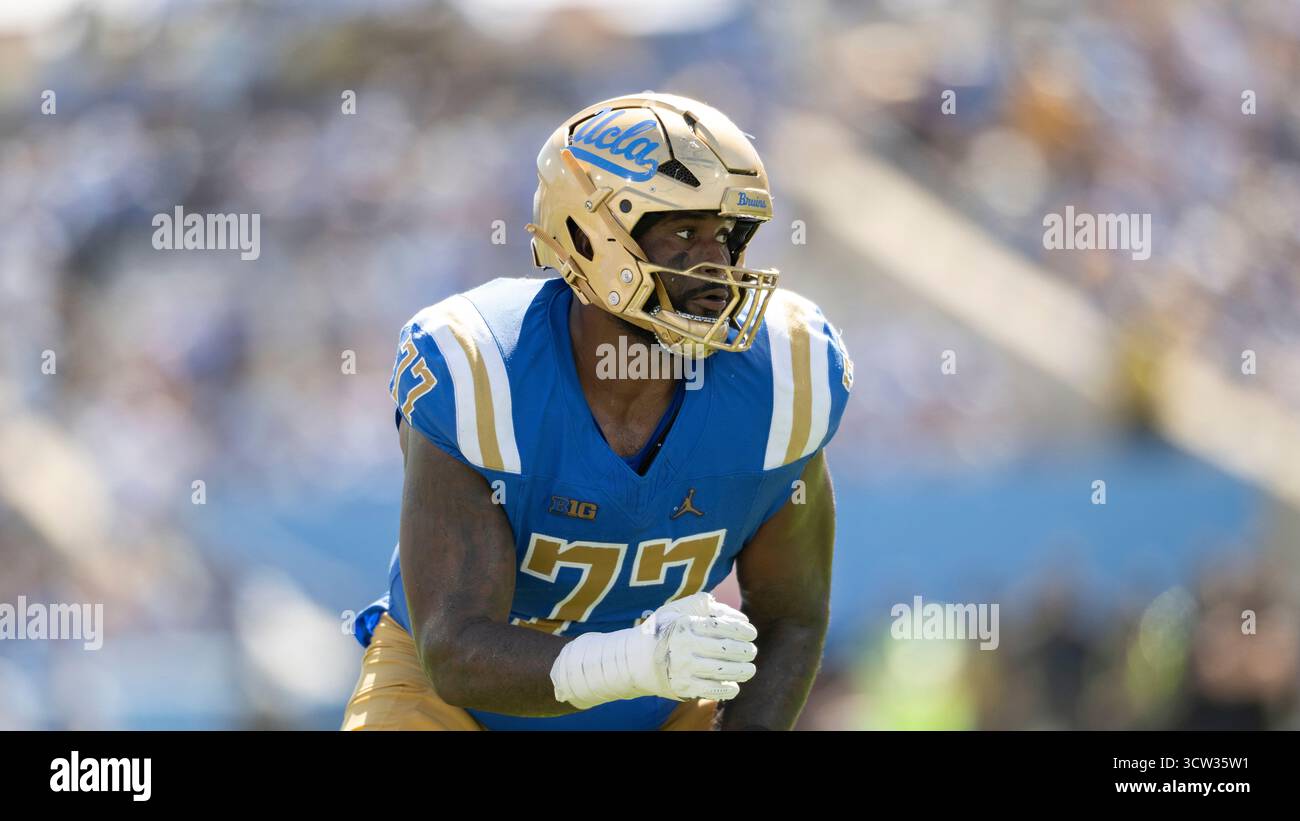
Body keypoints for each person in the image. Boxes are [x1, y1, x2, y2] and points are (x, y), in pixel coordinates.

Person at [341, 92, 853, 730]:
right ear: (589, 235)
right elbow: (455, 650)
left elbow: (791, 618)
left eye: (725, 235)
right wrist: (636, 661)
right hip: (453, 709)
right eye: (684, 232)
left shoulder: (785, 373)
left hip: (658, 711)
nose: (718, 264)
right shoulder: (482, 365)